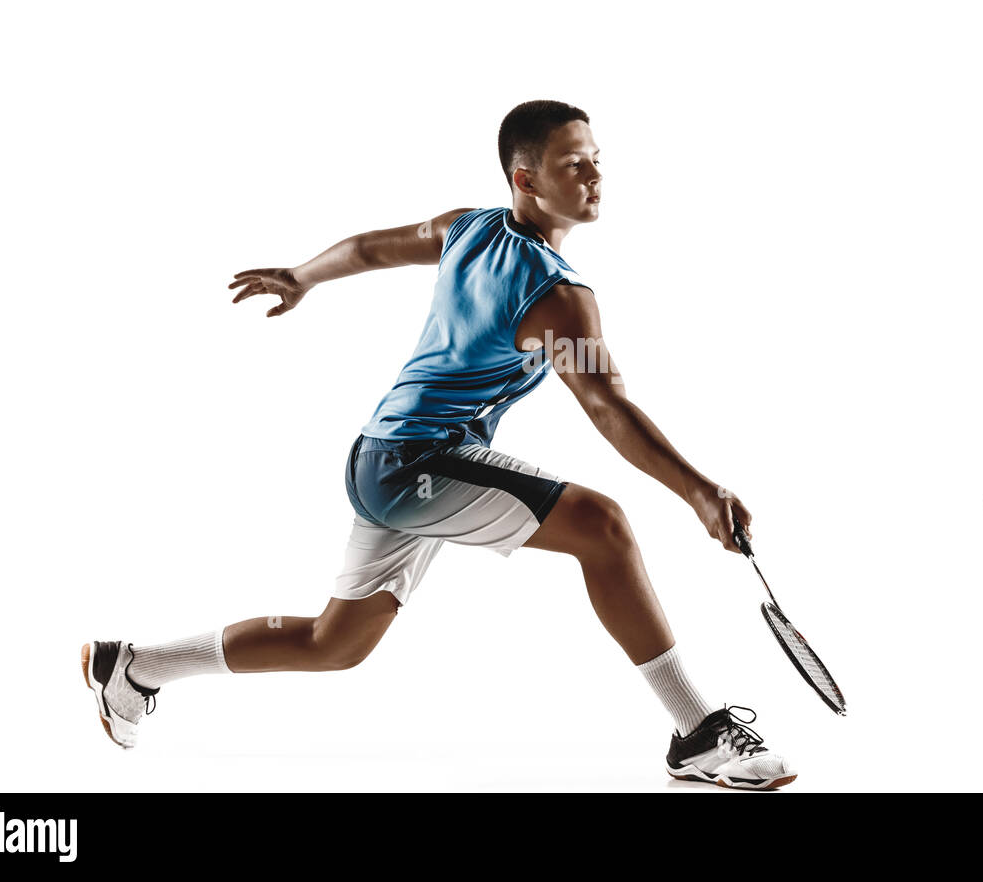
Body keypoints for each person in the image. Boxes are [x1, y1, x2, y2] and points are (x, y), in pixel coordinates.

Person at [81, 99, 797, 790]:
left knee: (335, 646)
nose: (595, 177)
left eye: (597, 160)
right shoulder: (557, 297)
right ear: (526, 179)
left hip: (381, 457)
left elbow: (367, 249)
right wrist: (701, 492)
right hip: (415, 465)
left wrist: (303, 275)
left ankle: (136, 667)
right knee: (602, 527)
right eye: (575, 165)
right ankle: (697, 732)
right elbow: (607, 408)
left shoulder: (467, 228)